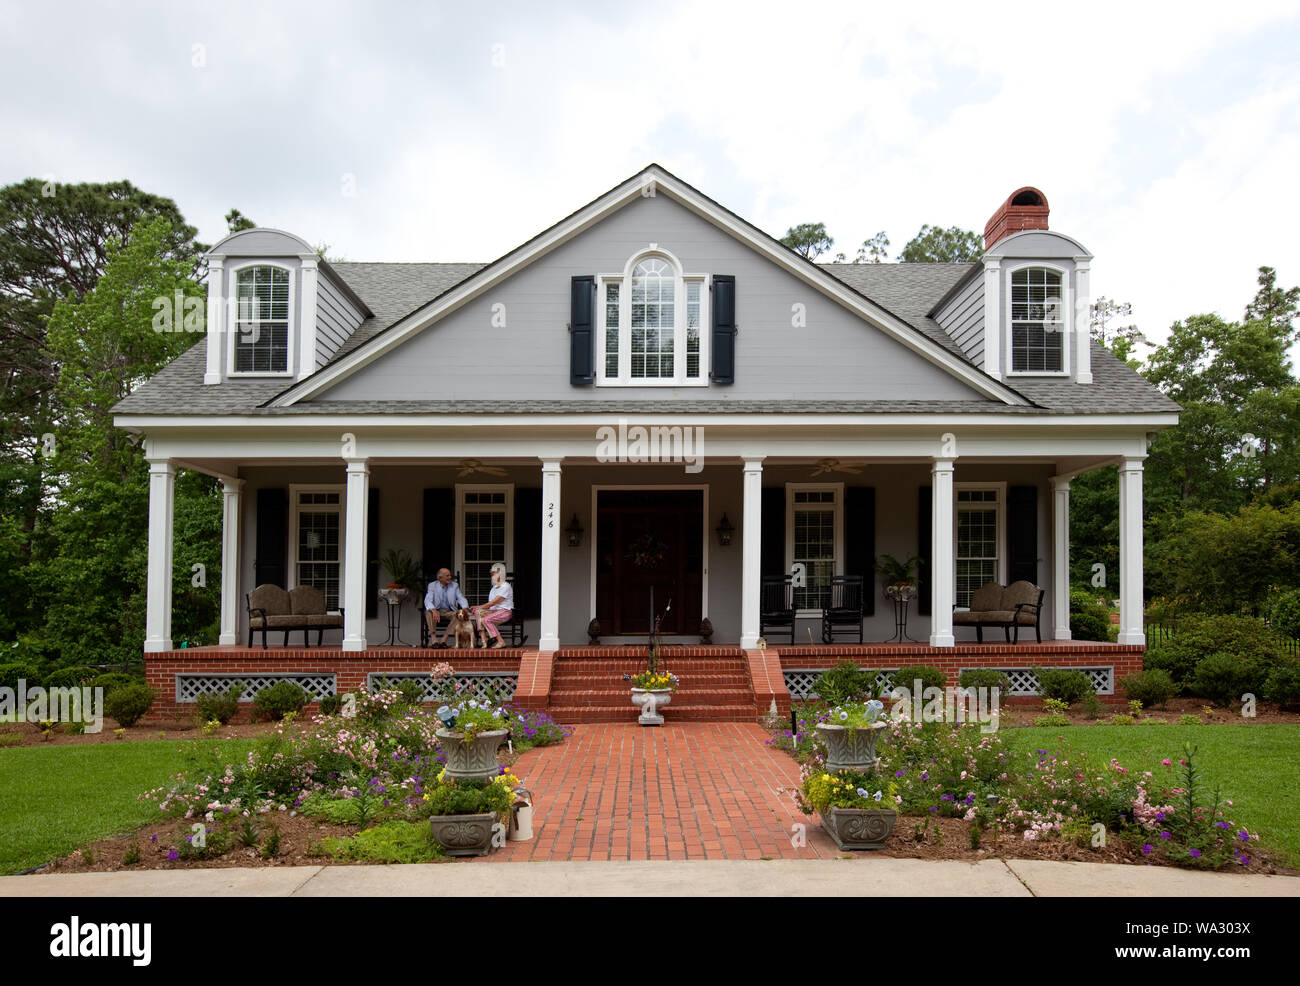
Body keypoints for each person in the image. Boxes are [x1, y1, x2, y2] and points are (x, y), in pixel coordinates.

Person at [471, 562, 514, 649]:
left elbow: (493, 603)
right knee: (477, 612)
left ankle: (501, 642)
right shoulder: (494, 588)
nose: (491, 576)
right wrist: (477, 608)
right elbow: (490, 606)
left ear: (500, 574)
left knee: (486, 619)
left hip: (505, 612)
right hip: (494, 611)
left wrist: (479, 606)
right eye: (491, 574)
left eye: (493, 574)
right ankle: (484, 640)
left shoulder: (506, 586)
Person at [424, 568, 469, 648]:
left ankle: (444, 640)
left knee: (458, 615)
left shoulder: (454, 585)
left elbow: (460, 598)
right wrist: (434, 610)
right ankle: (434, 640)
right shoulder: (432, 585)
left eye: (450, 575)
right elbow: (428, 600)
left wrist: (465, 607)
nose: (450, 577)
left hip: (449, 611)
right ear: (440, 578)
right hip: (436, 610)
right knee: (428, 613)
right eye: (447, 576)